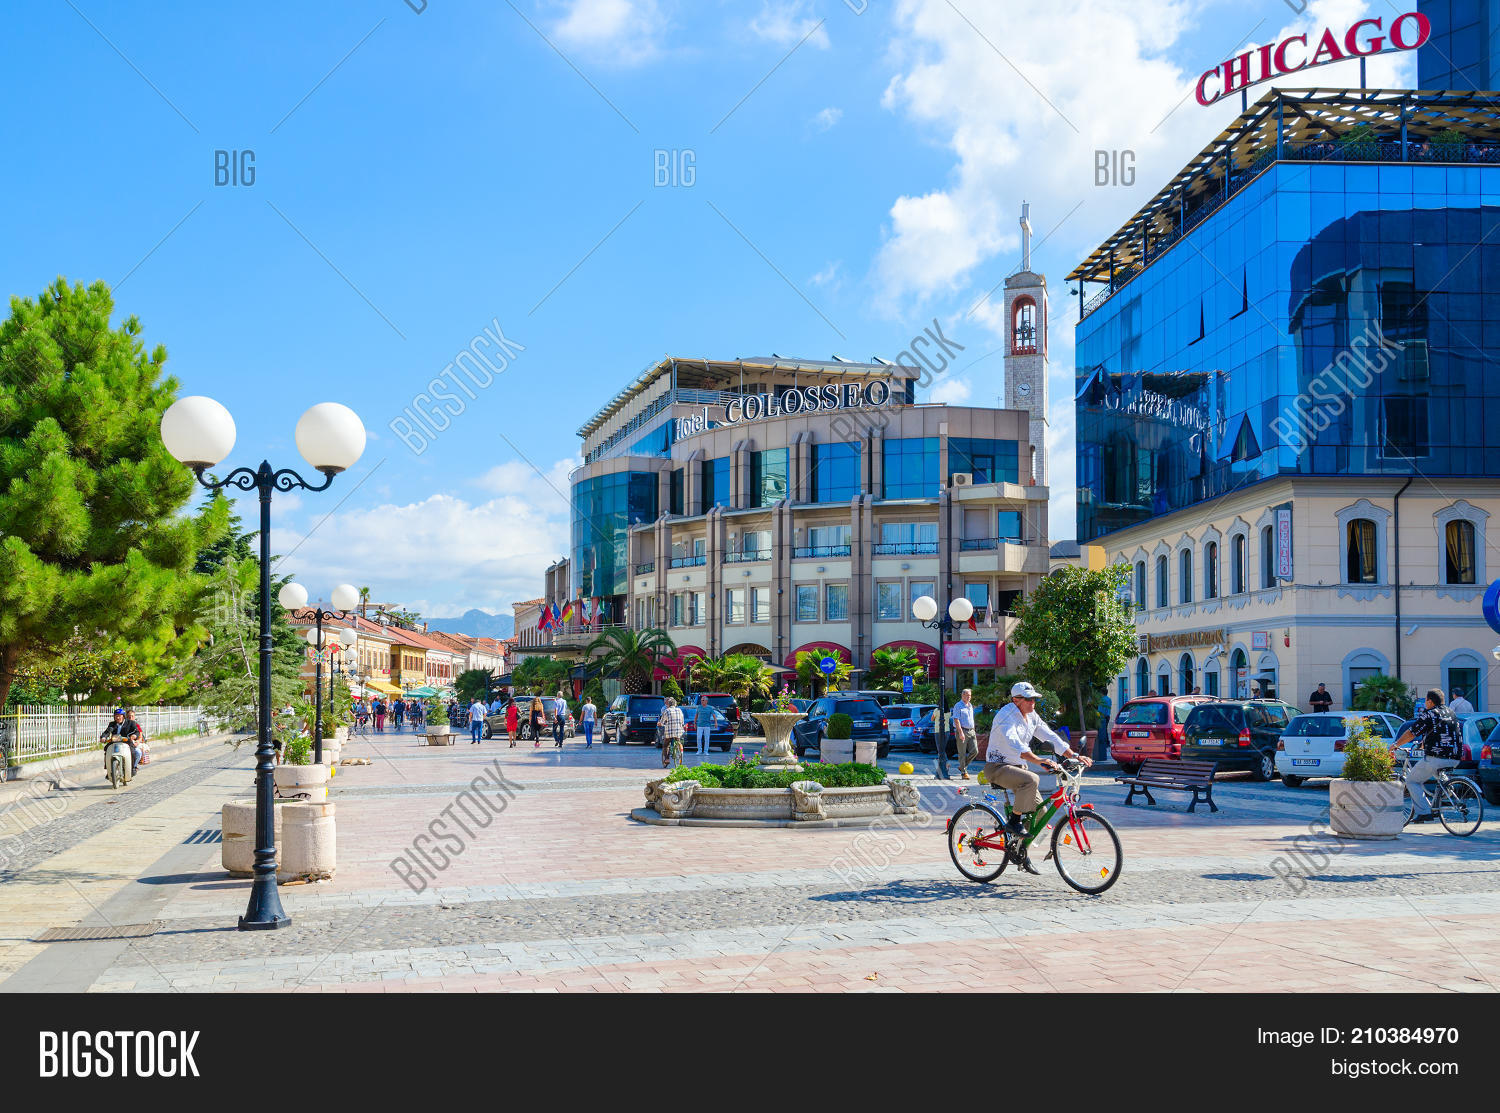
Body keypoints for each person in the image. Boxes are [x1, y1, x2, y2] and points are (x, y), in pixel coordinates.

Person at [982, 682, 1093, 874]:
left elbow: (1049, 736)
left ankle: (1020, 850)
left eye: (1034, 698)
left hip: (1018, 768)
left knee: (1041, 817)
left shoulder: (1032, 716)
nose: (1033, 702)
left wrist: (1074, 755)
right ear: (1016, 700)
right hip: (997, 767)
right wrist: (1039, 760)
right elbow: (1014, 743)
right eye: (1029, 699)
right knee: (1031, 779)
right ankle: (1014, 821)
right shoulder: (1005, 715)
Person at [1394, 688, 1462, 823]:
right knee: (1437, 774)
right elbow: (1439, 732)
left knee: (1412, 781)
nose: (1425, 703)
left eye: (1426, 700)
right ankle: (1446, 790)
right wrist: (1423, 744)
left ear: (1430, 701)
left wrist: (1396, 744)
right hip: (1455, 757)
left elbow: (1411, 732)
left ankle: (1424, 812)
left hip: (1437, 758)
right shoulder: (1451, 712)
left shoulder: (1429, 714)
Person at [99, 708, 144, 777]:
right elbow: (107, 732)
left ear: (123, 716)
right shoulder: (112, 724)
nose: (117, 717)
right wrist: (103, 737)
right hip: (114, 742)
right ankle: (109, 769)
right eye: (116, 716)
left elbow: (137, 731)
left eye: (119, 716)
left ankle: (132, 768)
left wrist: (134, 735)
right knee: (107, 750)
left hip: (127, 742)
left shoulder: (131, 723)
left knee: (133, 752)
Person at [952, 688, 978, 780]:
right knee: (962, 753)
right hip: (962, 730)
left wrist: (974, 729)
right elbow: (956, 719)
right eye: (967, 695)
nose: (968, 697)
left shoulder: (970, 705)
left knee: (975, 751)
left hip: (971, 731)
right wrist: (960, 732)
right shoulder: (958, 705)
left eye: (970, 695)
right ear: (962, 695)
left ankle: (962, 766)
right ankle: (964, 772)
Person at [658, 696, 685, 767]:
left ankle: (667, 759)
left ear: (668, 704)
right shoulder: (679, 710)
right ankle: (678, 748)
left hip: (669, 731)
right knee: (677, 739)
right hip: (679, 731)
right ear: (675, 704)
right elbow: (682, 721)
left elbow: (662, 722)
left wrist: (660, 723)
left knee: (665, 745)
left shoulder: (667, 711)